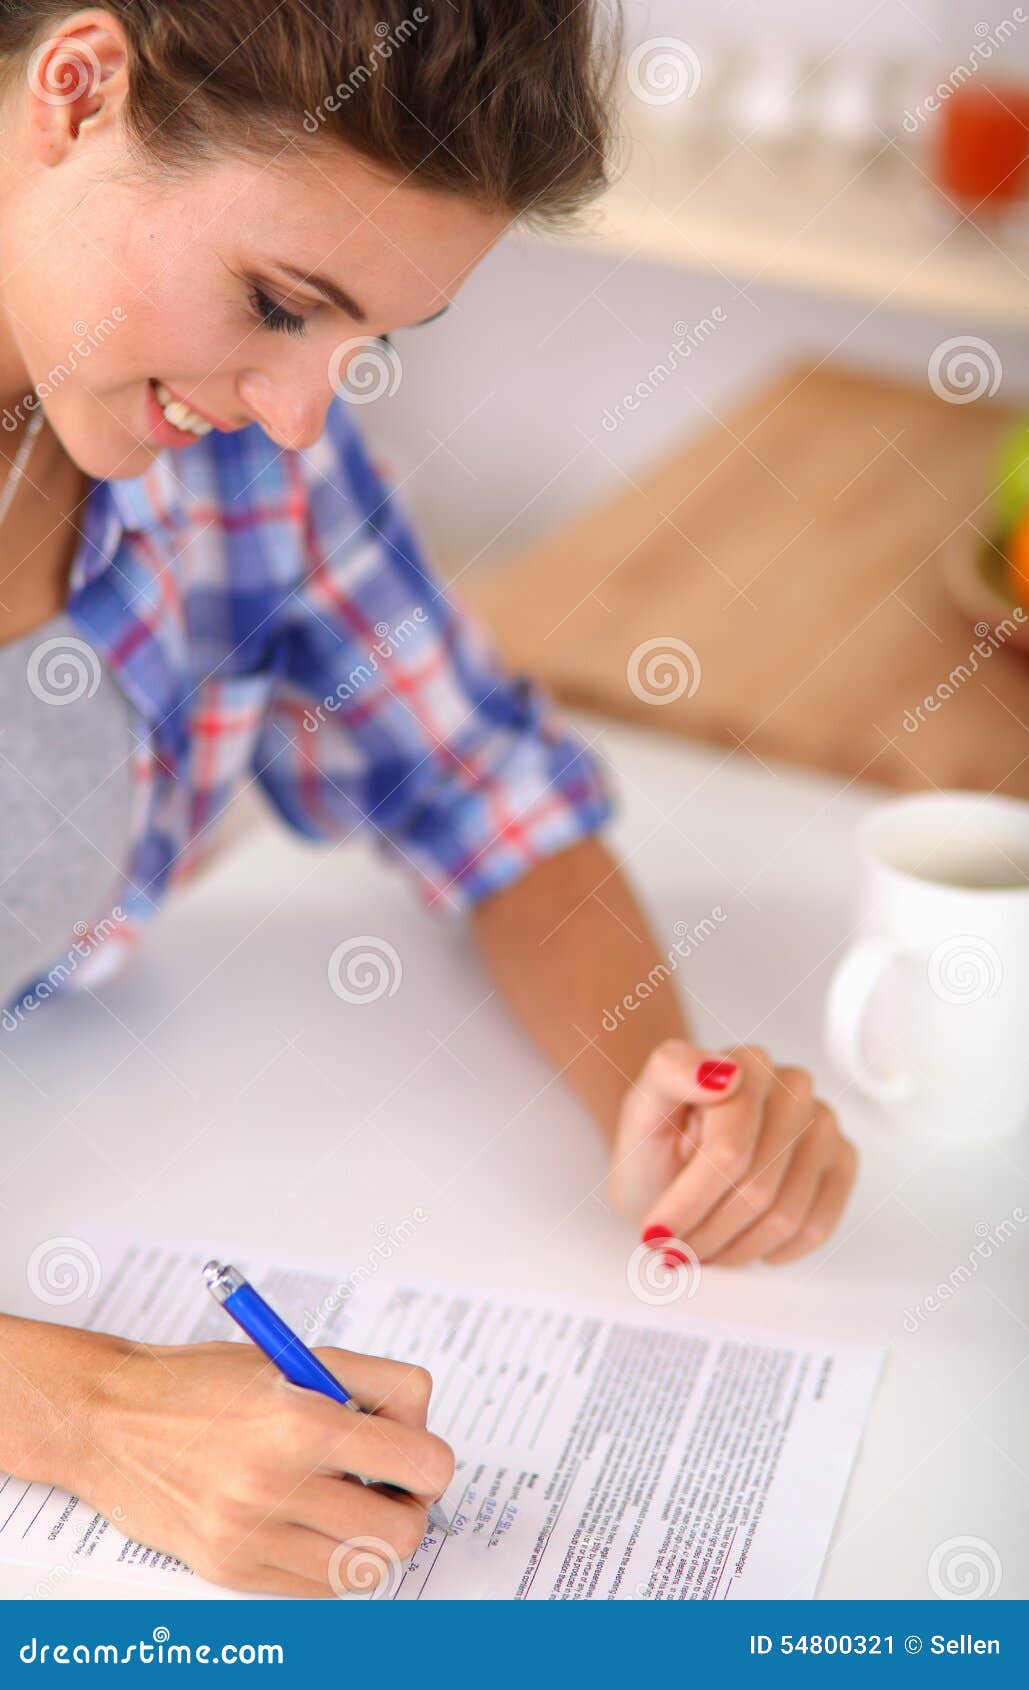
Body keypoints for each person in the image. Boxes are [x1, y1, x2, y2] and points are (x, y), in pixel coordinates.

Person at [0, 2, 857, 1595]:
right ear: (79, 89)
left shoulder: (239, 442)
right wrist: (88, 1413)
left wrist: (660, 1093)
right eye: (276, 303)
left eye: (359, 345)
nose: (298, 410)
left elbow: (481, 788)